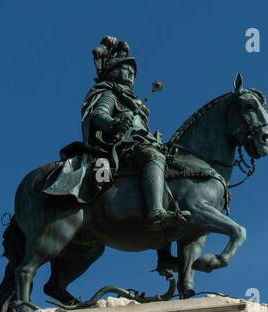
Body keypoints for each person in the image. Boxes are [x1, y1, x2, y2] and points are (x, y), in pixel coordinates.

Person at [45, 36, 190, 230]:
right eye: (126, 69)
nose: (131, 74)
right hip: (120, 146)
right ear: (113, 72)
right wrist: (115, 122)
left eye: (132, 72)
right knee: (152, 156)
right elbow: (98, 116)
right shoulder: (110, 94)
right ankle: (156, 212)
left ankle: (164, 250)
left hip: (141, 142)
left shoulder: (135, 100)